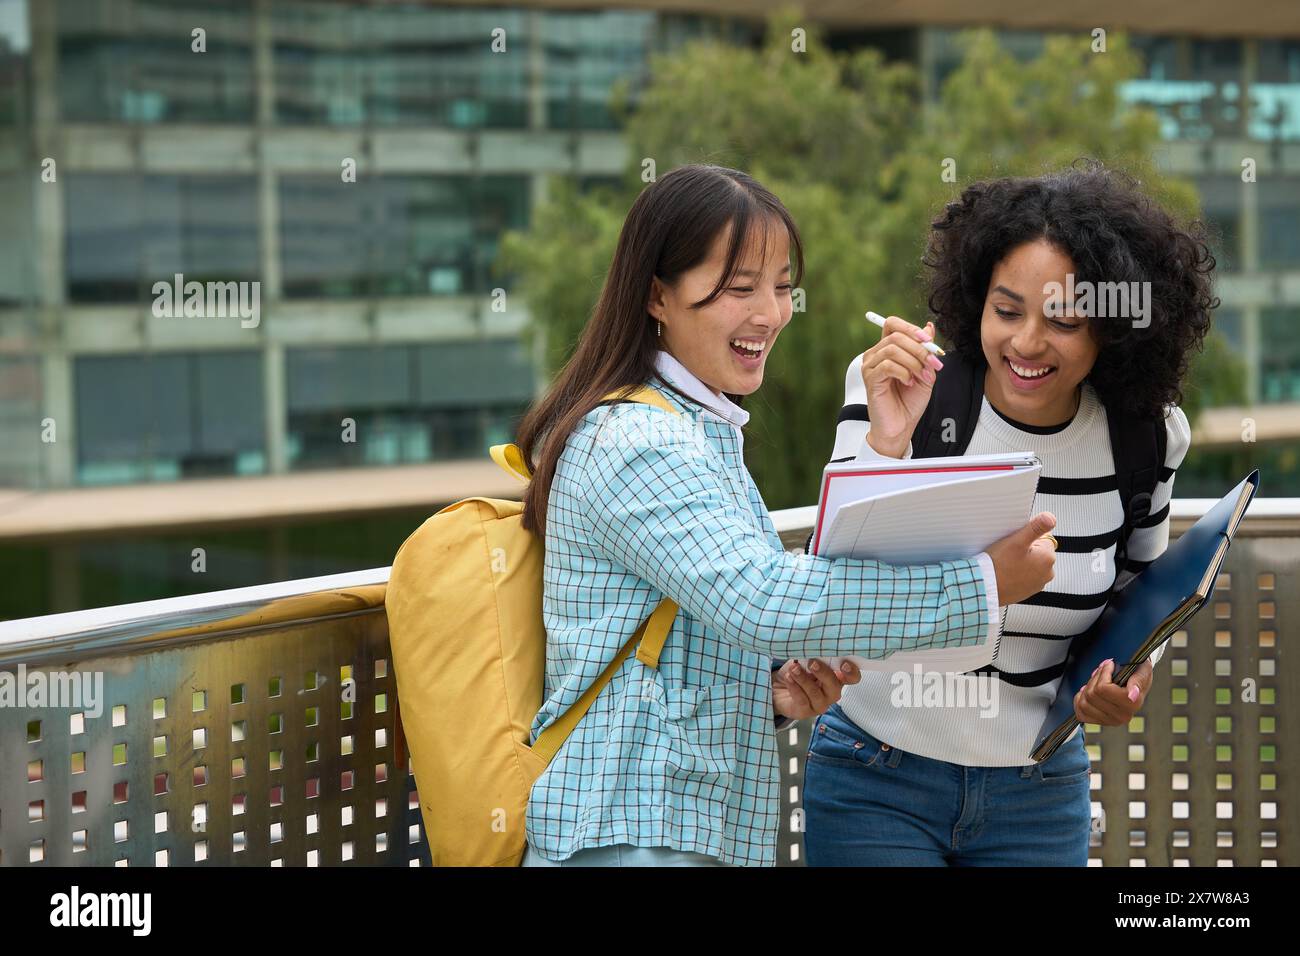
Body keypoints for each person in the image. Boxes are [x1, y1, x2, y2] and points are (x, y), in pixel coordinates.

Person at [512, 163, 1058, 867]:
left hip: (661, 832)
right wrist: (980, 586)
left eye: (779, 287)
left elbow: (699, 631)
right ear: (658, 295)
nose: (769, 313)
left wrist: (766, 694)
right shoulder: (636, 441)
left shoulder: (694, 427)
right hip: (630, 836)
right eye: (739, 288)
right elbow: (763, 601)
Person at [802, 162, 1213, 866]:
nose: (1026, 343)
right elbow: (830, 585)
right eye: (1007, 310)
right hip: (876, 778)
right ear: (975, 302)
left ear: (1111, 329)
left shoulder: (1145, 435)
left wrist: (1125, 682)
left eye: (1063, 320)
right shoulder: (902, 390)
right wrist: (887, 442)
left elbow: (1142, 605)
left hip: (1038, 791)